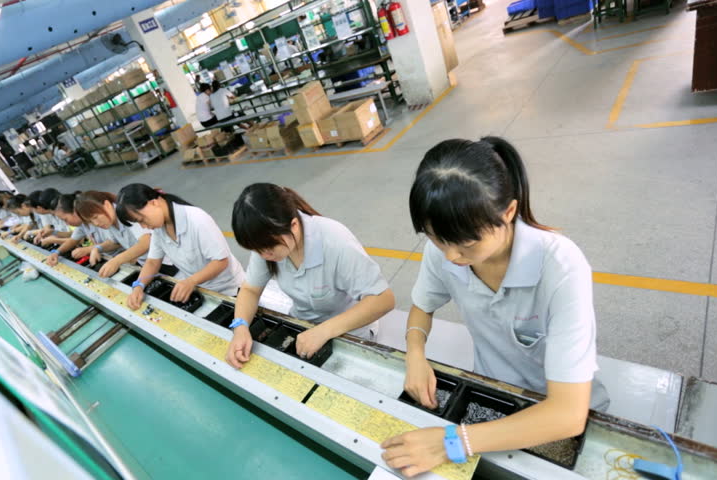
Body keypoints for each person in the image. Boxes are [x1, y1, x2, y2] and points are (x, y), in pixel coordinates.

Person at [380, 137, 608, 477]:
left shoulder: (561, 267)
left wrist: (450, 443)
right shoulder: (445, 249)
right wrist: (415, 354)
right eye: (435, 239)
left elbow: (568, 414)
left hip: (558, 416)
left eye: (467, 244)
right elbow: (421, 307)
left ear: (509, 212)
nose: (451, 257)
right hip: (496, 399)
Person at [225, 183, 394, 369]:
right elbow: (250, 289)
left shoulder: (335, 242)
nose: (264, 256)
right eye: (257, 250)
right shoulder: (266, 245)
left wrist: (324, 331)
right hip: (304, 326)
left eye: (268, 249)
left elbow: (383, 299)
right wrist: (240, 327)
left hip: (349, 331)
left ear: (294, 226)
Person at [115, 184, 245, 310]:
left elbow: (220, 261)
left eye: (141, 220)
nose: (143, 227)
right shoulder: (159, 228)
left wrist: (190, 281)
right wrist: (138, 286)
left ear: (154, 203)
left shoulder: (196, 219)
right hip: (204, 291)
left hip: (230, 290)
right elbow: (153, 261)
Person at [74, 191, 152, 278]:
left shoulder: (126, 212)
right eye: (90, 221)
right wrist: (97, 248)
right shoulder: (110, 221)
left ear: (107, 205)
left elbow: (146, 242)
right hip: (147, 265)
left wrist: (116, 260)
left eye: (95, 217)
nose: (95, 223)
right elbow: (115, 243)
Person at [45, 193, 118, 267]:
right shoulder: (82, 224)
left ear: (75, 212)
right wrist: (57, 252)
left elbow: (115, 242)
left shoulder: (102, 219)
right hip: (109, 257)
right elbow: (72, 240)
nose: (66, 224)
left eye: (65, 219)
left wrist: (88, 249)